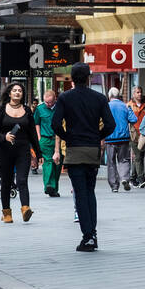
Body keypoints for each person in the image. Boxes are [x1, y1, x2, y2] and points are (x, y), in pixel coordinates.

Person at [51, 63, 116, 251]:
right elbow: (110, 125)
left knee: (80, 193)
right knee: (90, 191)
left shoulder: (65, 98)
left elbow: (55, 124)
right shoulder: (99, 98)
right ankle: (92, 233)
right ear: (88, 77)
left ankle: (88, 236)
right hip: (92, 149)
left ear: (72, 78)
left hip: (74, 149)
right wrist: (97, 136)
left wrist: (67, 136)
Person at [0, 81, 42, 224]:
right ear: (9, 93)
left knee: (21, 180)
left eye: (20, 90)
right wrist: (4, 137)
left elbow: (33, 133)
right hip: (4, 150)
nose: (17, 92)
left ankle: (26, 209)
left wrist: (39, 154)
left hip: (23, 150)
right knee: (6, 182)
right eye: (14, 90)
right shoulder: (1, 110)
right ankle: (6, 213)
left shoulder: (27, 111)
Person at [104, 87, 136, 192]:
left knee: (111, 162)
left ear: (109, 96)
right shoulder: (125, 106)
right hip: (124, 139)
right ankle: (125, 178)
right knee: (124, 160)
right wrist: (129, 110)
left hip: (110, 138)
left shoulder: (106, 106)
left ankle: (114, 186)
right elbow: (133, 119)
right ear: (119, 96)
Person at [34, 88, 61, 196]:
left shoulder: (60, 108)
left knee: (58, 164)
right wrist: (39, 137)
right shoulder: (40, 109)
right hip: (45, 139)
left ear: (55, 99)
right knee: (48, 162)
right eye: (46, 102)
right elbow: (37, 123)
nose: (48, 104)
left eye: (50, 102)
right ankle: (49, 185)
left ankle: (54, 189)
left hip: (58, 139)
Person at [127, 86, 145, 186]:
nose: (139, 94)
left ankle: (132, 178)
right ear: (133, 94)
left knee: (138, 157)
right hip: (133, 135)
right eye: (137, 92)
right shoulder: (129, 105)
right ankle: (141, 179)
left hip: (144, 135)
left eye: (140, 92)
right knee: (139, 156)